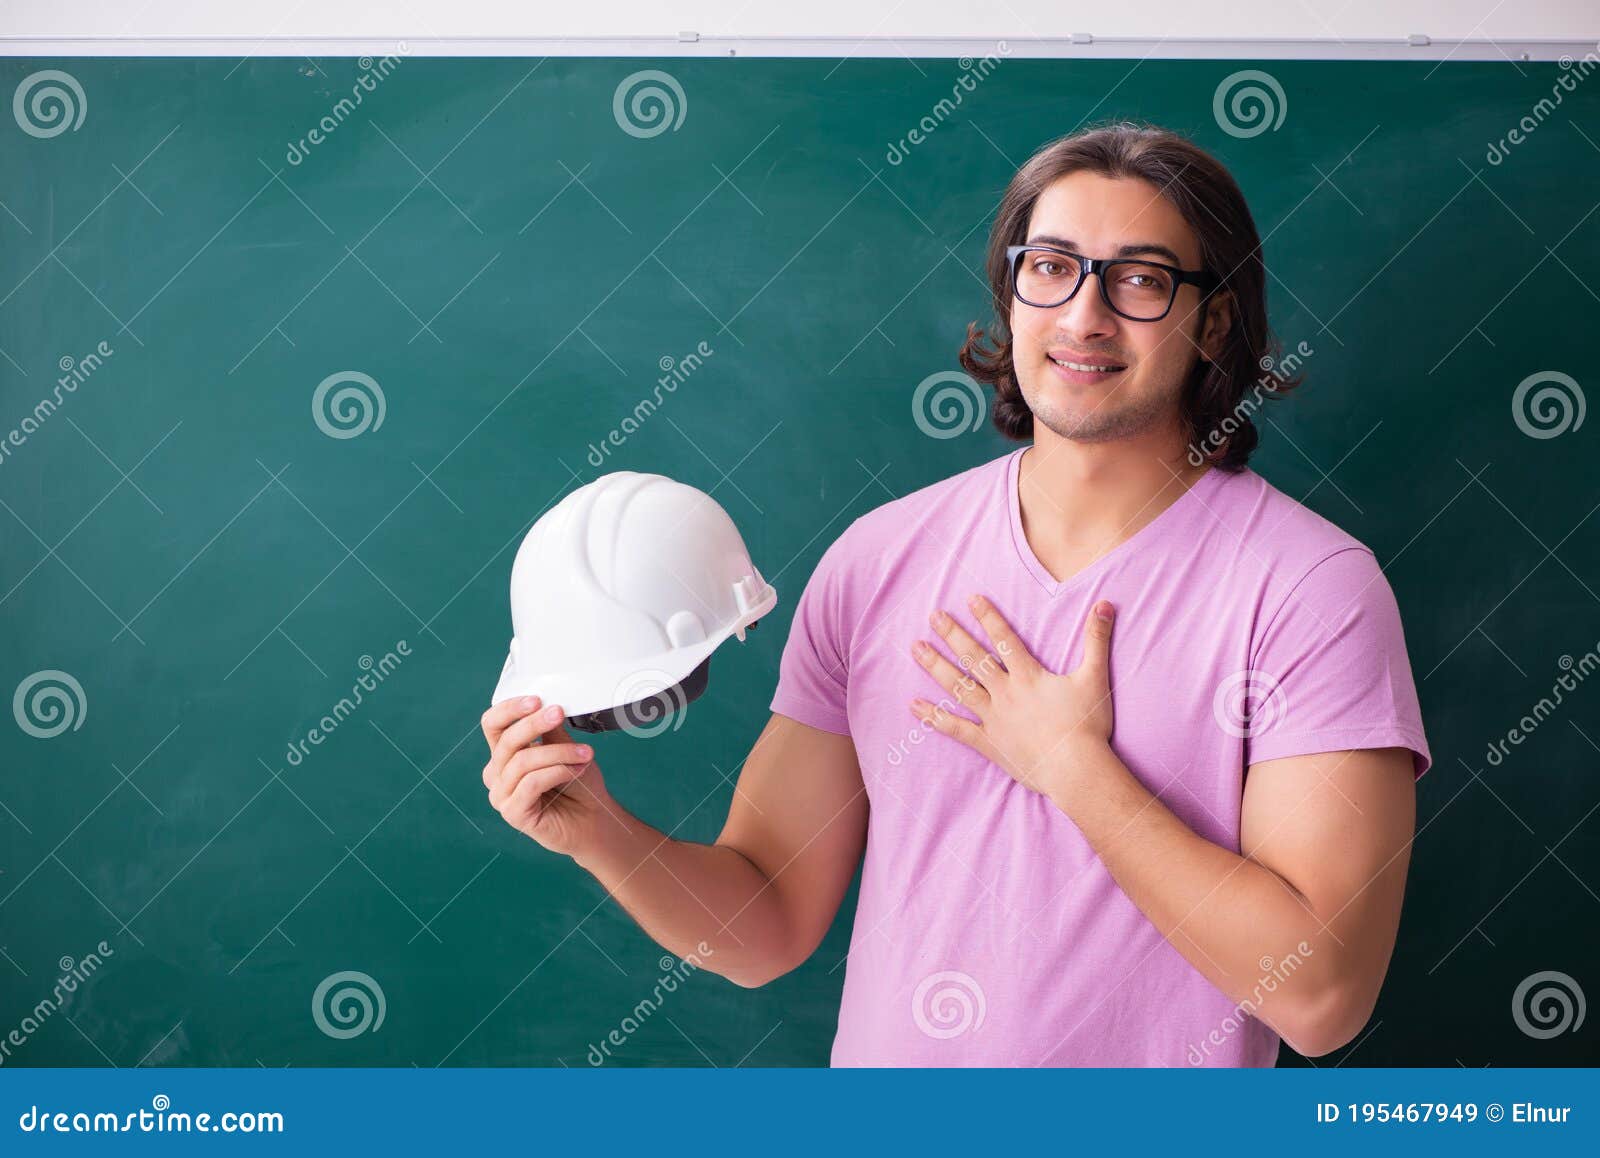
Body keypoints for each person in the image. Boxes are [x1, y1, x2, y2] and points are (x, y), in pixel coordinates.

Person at [480, 121, 1431, 1067]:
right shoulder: (877, 561)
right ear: (1012, 295)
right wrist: (602, 836)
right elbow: (768, 920)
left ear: (1213, 321)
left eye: (1140, 280)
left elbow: (1320, 998)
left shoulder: (1310, 590)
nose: (1084, 317)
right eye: (1051, 267)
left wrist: (1075, 770)